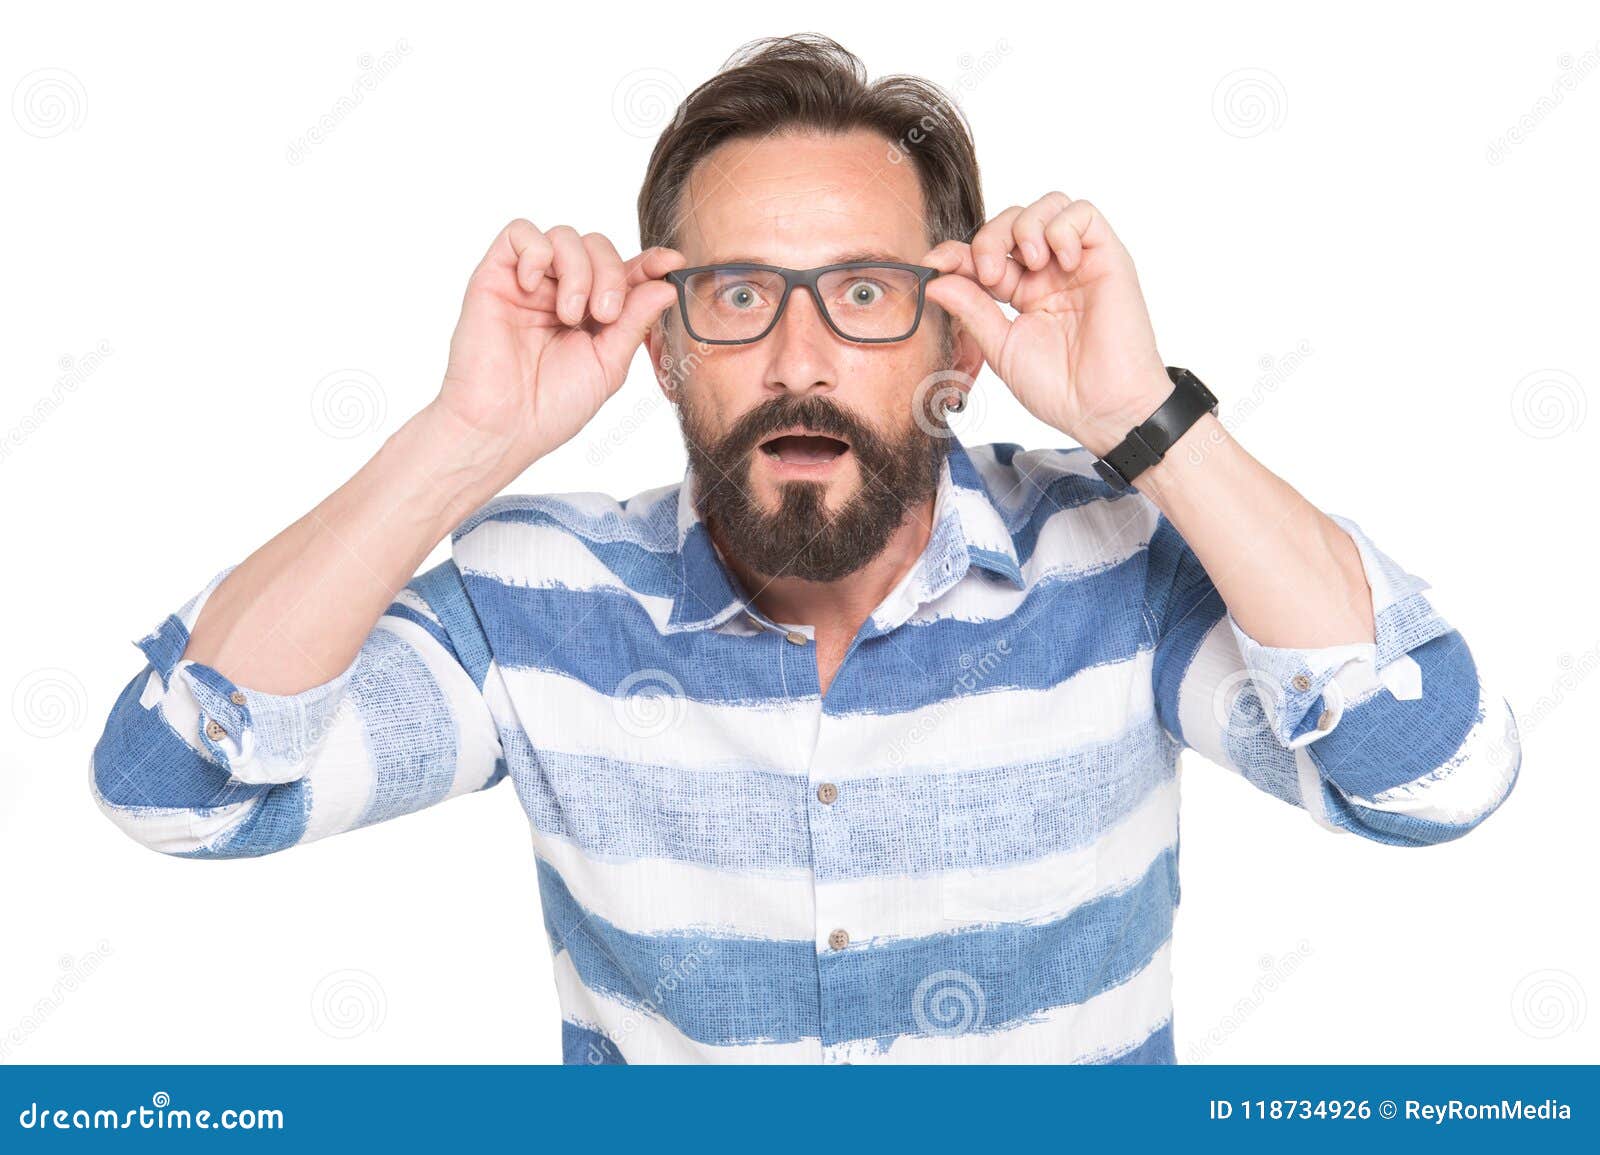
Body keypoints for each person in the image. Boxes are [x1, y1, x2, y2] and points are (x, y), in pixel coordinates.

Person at [91, 34, 1519, 1064]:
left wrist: (1143, 416)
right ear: (659, 349)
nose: (797, 356)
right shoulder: (533, 597)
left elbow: (1436, 776)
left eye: (863, 294)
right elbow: (184, 790)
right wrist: (468, 437)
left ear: (956, 342)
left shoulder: (1115, 557)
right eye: (734, 295)